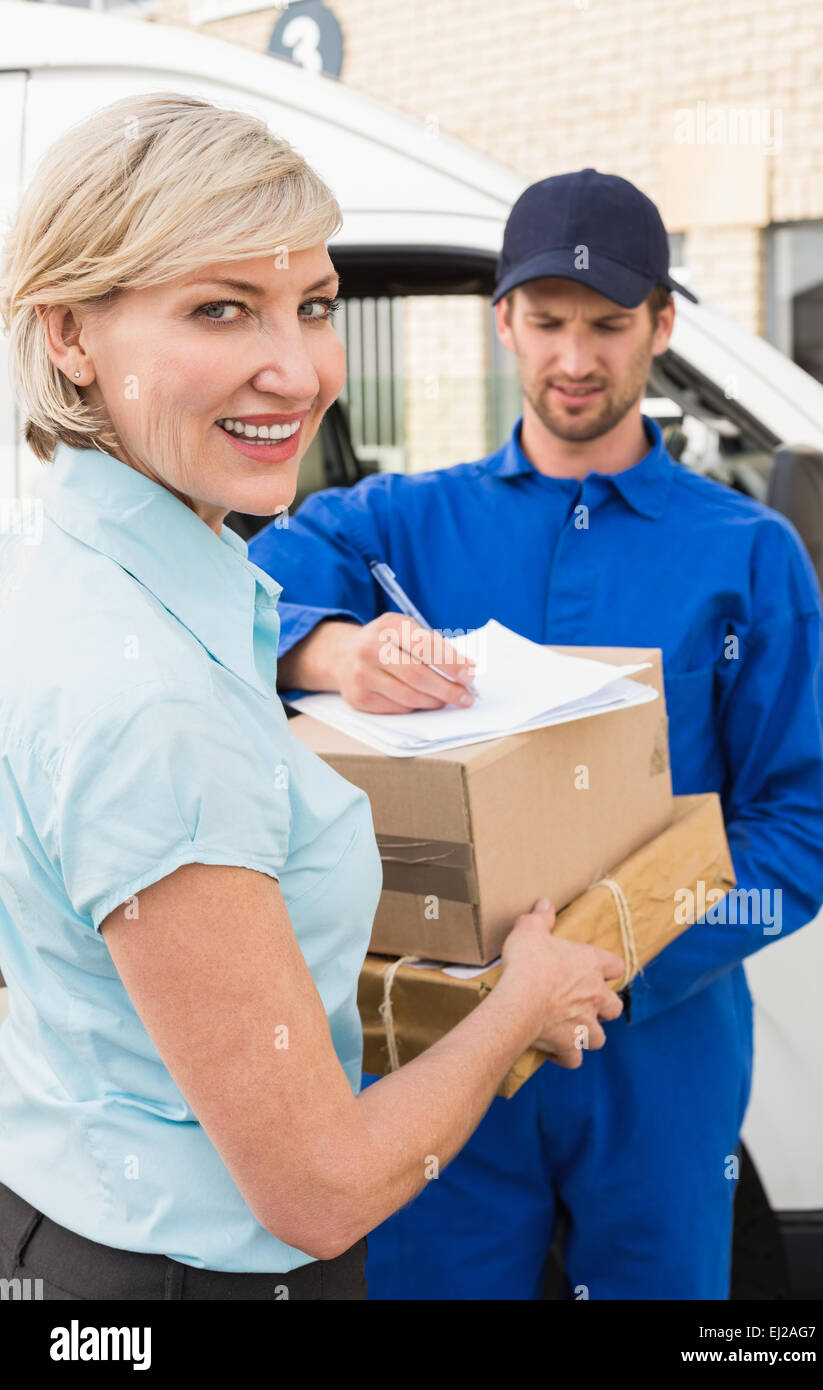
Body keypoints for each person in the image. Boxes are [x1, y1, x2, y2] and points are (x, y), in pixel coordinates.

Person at [0, 98, 626, 1302]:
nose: (298, 370)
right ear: (70, 333)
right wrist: (519, 1005)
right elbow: (320, 1186)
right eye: (220, 308)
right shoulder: (149, 698)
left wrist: (325, 653)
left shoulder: (79, 565)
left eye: (315, 306)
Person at [249, 169, 823, 1300]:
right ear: (502, 325)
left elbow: (798, 823)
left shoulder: (748, 552)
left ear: (661, 327)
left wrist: (608, 958)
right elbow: (251, 589)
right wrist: (337, 653)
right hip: (446, 1046)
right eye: (545, 322)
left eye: (607, 326)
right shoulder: (401, 522)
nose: (573, 358)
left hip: (657, 1043)